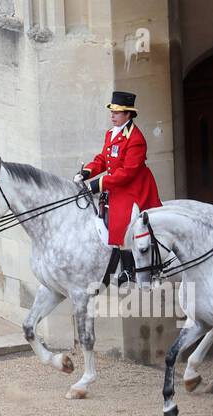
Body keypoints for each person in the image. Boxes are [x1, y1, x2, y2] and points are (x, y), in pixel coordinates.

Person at [74, 90, 161, 287]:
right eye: (111, 112)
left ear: (128, 114)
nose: (112, 116)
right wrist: (87, 172)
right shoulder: (111, 133)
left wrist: (99, 183)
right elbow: (104, 159)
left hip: (134, 188)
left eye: (117, 112)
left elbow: (128, 172)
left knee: (124, 221)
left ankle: (129, 271)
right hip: (117, 184)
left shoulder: (136, 139)